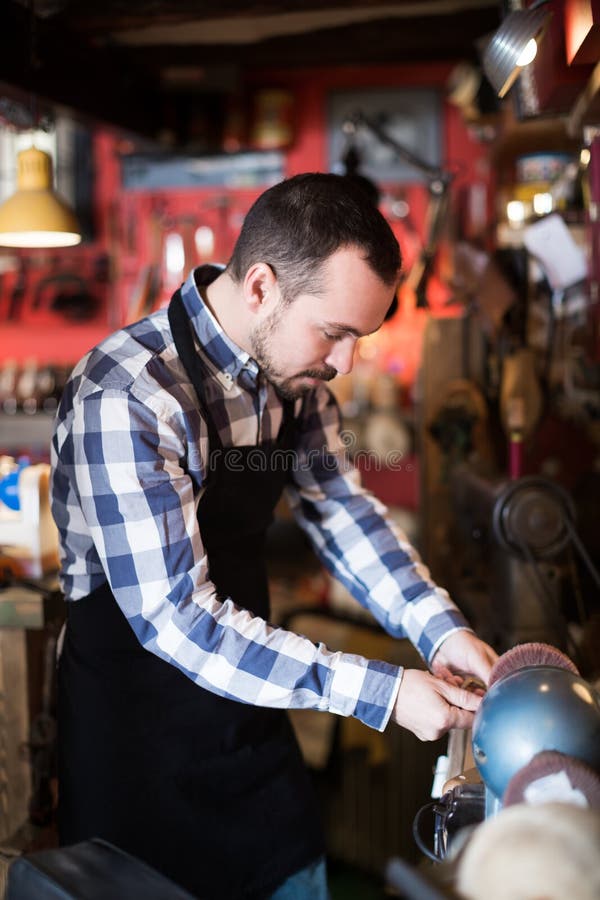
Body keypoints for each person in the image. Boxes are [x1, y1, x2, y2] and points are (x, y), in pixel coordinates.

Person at [50, 173, 497, 900]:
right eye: (336, 332)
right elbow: (179, 621)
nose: (346, 364)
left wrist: (440, 632)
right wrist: (380, 692)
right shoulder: (128, 395)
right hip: (137, 740)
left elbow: (340, 513)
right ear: (261, 287)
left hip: (248, 718)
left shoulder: (295, 380)